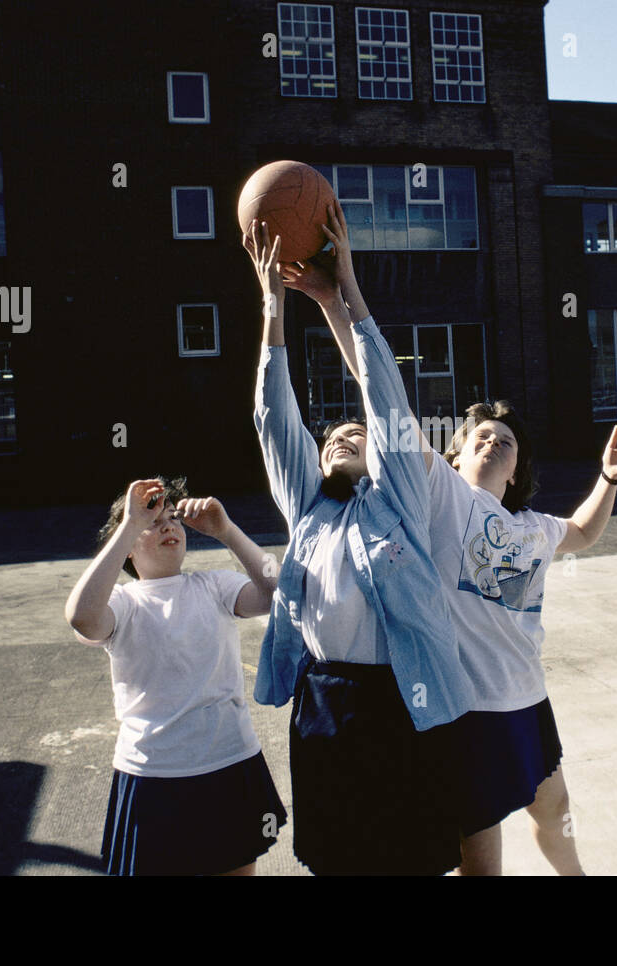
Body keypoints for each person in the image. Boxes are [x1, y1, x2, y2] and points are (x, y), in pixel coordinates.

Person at [282, 205, 617, 876]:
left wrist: (607, 476)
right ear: (455, 453)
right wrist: (339, 297)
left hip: (528, 700)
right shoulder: (442, 498)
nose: (489, 439)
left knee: (555, 825)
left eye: (503, 439)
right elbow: (378, 391)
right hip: (465, 710)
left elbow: (587, 531)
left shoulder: (533, 528)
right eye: (478, 433)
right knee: (480, 860)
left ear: (518, 467)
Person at [245, 217, 476, 875]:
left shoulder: (398, 502)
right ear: (316, 460)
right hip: (325, 702)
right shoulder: (307, 511)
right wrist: (273, 307)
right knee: (338, 861)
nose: (344, 436)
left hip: (405, 697)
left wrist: (347, 286)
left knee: (411, 861)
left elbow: (388, 406)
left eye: (356, 433)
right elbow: (271, 417)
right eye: (331, 437)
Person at [65, 477, 285, 875]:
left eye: (173, 519)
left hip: (229, 760)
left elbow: (278, 590)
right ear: (128, 546)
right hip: (154, 772)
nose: (168, 526)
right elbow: (81, 616)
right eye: (153, 522)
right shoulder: (123, 602)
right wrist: (129, 523)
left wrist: (227, 531)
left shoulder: (214, 585)